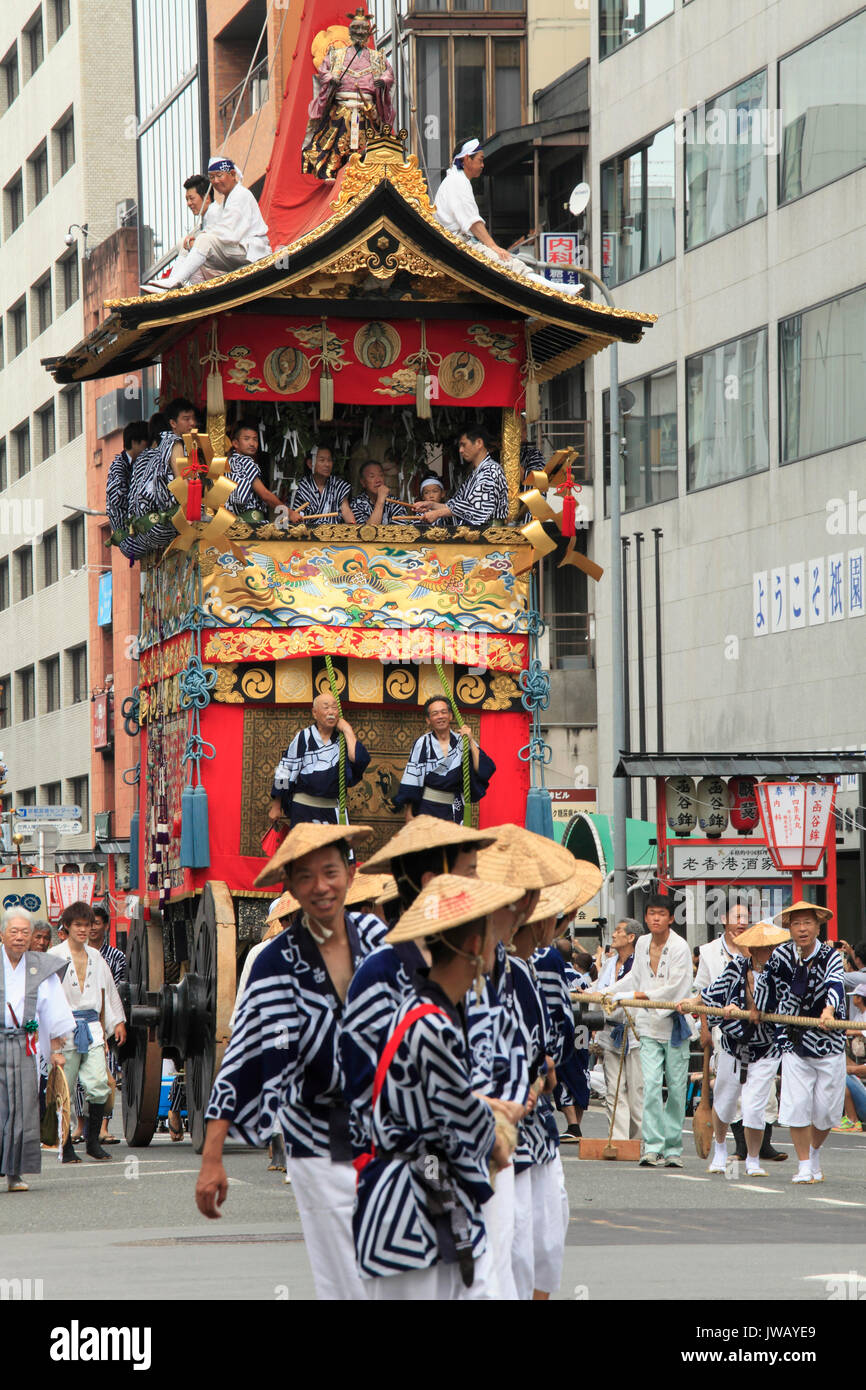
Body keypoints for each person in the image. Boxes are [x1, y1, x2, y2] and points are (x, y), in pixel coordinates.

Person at [195, 822, 385, 1301]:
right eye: (305, 877)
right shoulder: (274, 962)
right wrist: (212, 1157)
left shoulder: (379, 940)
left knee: (394, 1265)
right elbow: (242, 1058)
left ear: (351, 872)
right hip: (315, 1134)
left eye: (330, 872)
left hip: (388, 1131)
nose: (320, 887)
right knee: (344, 1276)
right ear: (291, 888)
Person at [341, 817, 528, 1299]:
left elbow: (503, 1048)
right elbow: (363, 1088)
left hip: (457, 1169)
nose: (478, 883)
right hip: (420, 1175)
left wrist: (496, 1106)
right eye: (468, 871)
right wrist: (485, 1120)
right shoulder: (382, 974)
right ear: (434, 882)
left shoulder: (477, 972)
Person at [679, 920, 788, 1177]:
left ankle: (752, 1159)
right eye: (763, 947)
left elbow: (785, 1001)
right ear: (751, 949)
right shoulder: (736, 967)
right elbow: (710, 993)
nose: (768, 951)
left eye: (772, 946)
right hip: (733, 1045)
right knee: (726, 1103)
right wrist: (692, 1002)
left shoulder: (782, 972)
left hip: (765, 1047)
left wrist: (752, 1010)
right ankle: (719, 1149)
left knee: (753, 1105)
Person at [760, 901, 847, 1185]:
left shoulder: (830, 956)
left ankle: (814, 1151)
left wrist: (829, 1010)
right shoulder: (781, 956)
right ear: (789, 928)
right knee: (797, 1105)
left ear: (818, 926)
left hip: (828, 1042)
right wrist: (747, 1006)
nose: (802, 929)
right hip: (793, 1040)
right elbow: (765, 988)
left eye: (807, 923)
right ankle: (804, 1164)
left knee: (825, 1113)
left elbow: (835, 985)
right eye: (796, 923)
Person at [608, 893, 694, 1168]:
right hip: (646, 1026)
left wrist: (637, 995)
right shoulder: (643, 942)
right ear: (645, 918)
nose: (656, 918)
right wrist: (607, 992)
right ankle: (653, 1146)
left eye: (661, 914)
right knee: (652, 1085)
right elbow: (634, 976)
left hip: (673, 1026)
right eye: (651, 913)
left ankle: (673, 1148)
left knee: (677, 1089)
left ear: (670, 918)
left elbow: (674, 987)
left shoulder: (680, 947)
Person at [433, 139, 582, 296]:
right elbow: (472, 222)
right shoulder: (458, 182)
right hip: (459, 245)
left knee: (512, 265)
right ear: (466, 159)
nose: (483, 165)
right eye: (480, 159)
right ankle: (558, 290)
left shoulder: (453, 181)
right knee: (509, 265)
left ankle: (558, 289)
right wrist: (493, 247)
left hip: (457, 245)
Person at [1, 910, 74, 1192]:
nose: (19, 937)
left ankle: (15, 1172)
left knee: (23, 1108)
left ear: (31, 937)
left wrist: (55, 1050)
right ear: (2, 935)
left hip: (24, 1045)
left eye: (24, 932)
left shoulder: (41, 968)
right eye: (13, 931)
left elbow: (53, 1012)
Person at [53, 902, 127, 1164]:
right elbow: (47, 999)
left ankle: (93, 1141)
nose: (84, 930)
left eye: (88, 925)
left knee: (98, 1085)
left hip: (93, 1027)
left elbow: (108, 992)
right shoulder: (55, 955)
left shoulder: (97, 958)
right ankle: (66, 1145)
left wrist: (117, 1022)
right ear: (67, 927)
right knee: (65, 1089)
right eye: (79, 925)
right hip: (64, 1029)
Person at [143, 157, 271, 292]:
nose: (215, 181)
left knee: (202, 242)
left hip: (251, 252)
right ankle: (179, 283)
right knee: (193, 245)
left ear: (232, 175)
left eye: (219, 176)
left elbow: (229, 233)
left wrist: (198, 241)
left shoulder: (240, 195)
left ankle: (180, 282)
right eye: (211, 177)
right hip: (238, 251)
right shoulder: (227, 200)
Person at [302, 8, 396, 180]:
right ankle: (331, 168)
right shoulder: (337, 55)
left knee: (369, 144)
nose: (360, 32)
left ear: (368, 32)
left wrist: (383, 81)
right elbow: (324, 70)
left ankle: (368, 170)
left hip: (366, 109)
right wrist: (331, 79)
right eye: (356, 29)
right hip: (342, 107)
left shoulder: (377, 57)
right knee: (335, 141)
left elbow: (389, 74)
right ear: (351, 33)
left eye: (363, 29)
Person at [269, 692, 370, 827]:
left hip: (333, 809)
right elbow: (285, 769)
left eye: (334, 708)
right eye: (326, 707)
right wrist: (276, 805)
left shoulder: (342, 739)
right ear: (315, 713)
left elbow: (356, 759)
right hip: (304, 808)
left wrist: (347, 729)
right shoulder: (303, 737)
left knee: (333, 848)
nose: (331, 712)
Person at [393, 694, 495, 823]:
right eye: (435, 713)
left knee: (453, 842)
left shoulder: (462, 740)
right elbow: (413, 778)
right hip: (426, 806)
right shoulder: (422, 743)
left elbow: (484, 769)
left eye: (443, 712)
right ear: (428, 720)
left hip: (453, 807)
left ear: (451, 716)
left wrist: (470, 741)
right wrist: (408, 813)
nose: (440, 716)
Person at [595, 918, 645, 1142]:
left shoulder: (640, 964)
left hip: (635, 1032)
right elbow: (598, 991)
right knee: (613, 1091)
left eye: (618, 931)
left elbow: (626, 990)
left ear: (631, 937)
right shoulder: (608, 964)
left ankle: (640, 1142)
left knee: (637, 1091)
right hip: (610, 1030)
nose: (613, 935)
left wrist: (604, 995)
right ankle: (618, 1140)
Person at [127, 401, 198, 553]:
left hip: (143, 530)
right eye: (186, 419)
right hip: (163, 523)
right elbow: (182, 484)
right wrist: (194, 516)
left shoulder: (155, 449)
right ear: (173, 423)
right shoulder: (175, 443)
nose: (192, 423)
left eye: (193, 418)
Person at [412, 427, 508, 528]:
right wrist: (431, 506)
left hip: (490, 535)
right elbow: (455, 505)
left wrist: (437, 513)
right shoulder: (476, 473)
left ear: (479, 443)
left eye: (464, 445)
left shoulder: (491, 469)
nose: (461, 450)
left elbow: (475, 508)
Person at [224, 418, 282, 519]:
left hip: (230, 519)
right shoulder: (246, 462)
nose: (252, 443)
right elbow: (264, 495)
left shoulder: (228, 461)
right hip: (250, 518)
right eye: (246, 439)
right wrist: (289, 512)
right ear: (235, 443)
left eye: (255, 439)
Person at [106, 421, 149, 545]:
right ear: (135, 442)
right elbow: (116, 499)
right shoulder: (119, 466)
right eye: (145, 444)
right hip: (125, 530)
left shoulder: (131, 463)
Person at [290, 445, 356, 524]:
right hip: (307, 533)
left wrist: (352, 525)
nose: (327, 464)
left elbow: (346, 511)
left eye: (329, 460)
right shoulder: (300, 487)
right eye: (322, 460)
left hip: (333, 533)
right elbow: (295, 517)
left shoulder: (337, 485)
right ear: (310, 463)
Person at [836, 983, 866, 1129]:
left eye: (856, 996)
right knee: (839, 1065)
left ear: (861, 998)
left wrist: (848, 1070)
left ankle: (852, 1120)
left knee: (841, 1074)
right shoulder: (859, 1016)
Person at [350, 460, 409, 524]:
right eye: (372, 476)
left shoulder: (395, 502)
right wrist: (380, 501)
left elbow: (401, 530)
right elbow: (366, 532)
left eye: (381, 475)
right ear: (363, 482)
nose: (378, 480)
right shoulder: (356, 504)